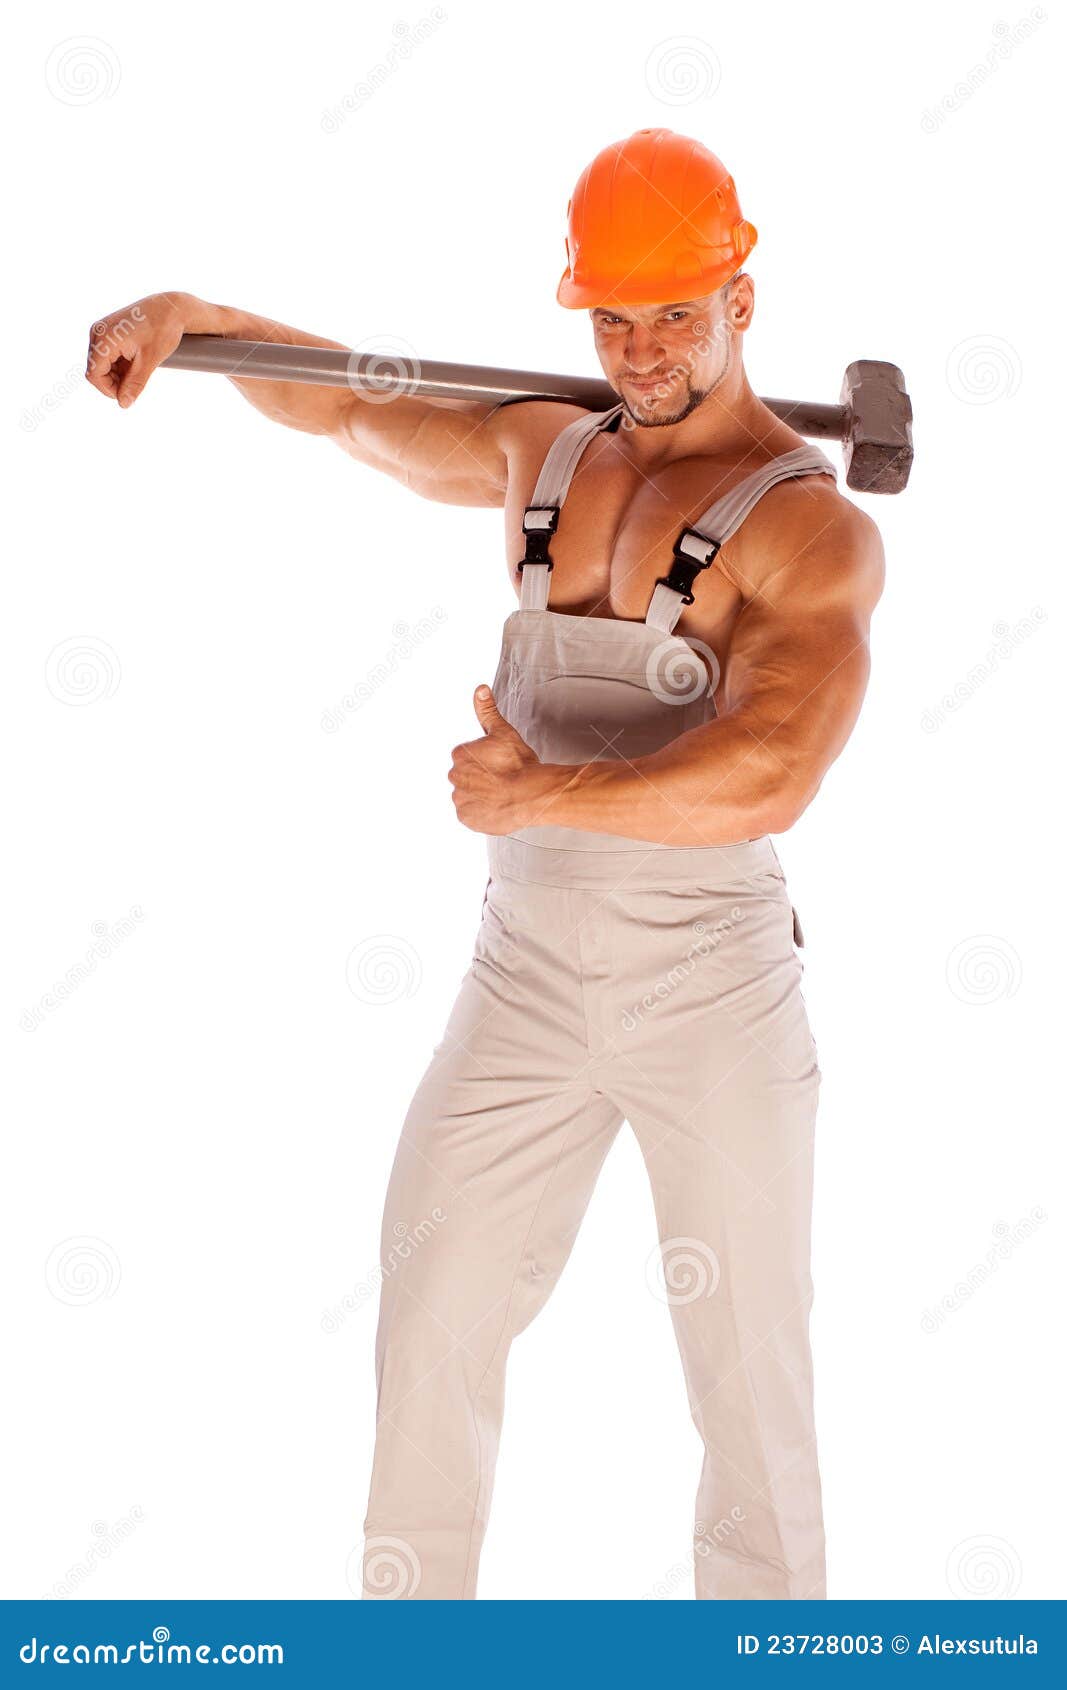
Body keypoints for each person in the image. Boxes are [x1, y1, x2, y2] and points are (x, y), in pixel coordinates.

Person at [86, 127, 885, 1601]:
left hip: (710, 988)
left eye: (673, 314)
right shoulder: (542, 448)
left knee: (748, 1368)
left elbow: (775, 770)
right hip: (520, 981)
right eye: (611, 317)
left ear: (741, 298)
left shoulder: (811, 530)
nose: (639, 351)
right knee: (434, 1305)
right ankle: (411, 1642)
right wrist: (193, 321)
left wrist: (548, 786)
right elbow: (339, 407)